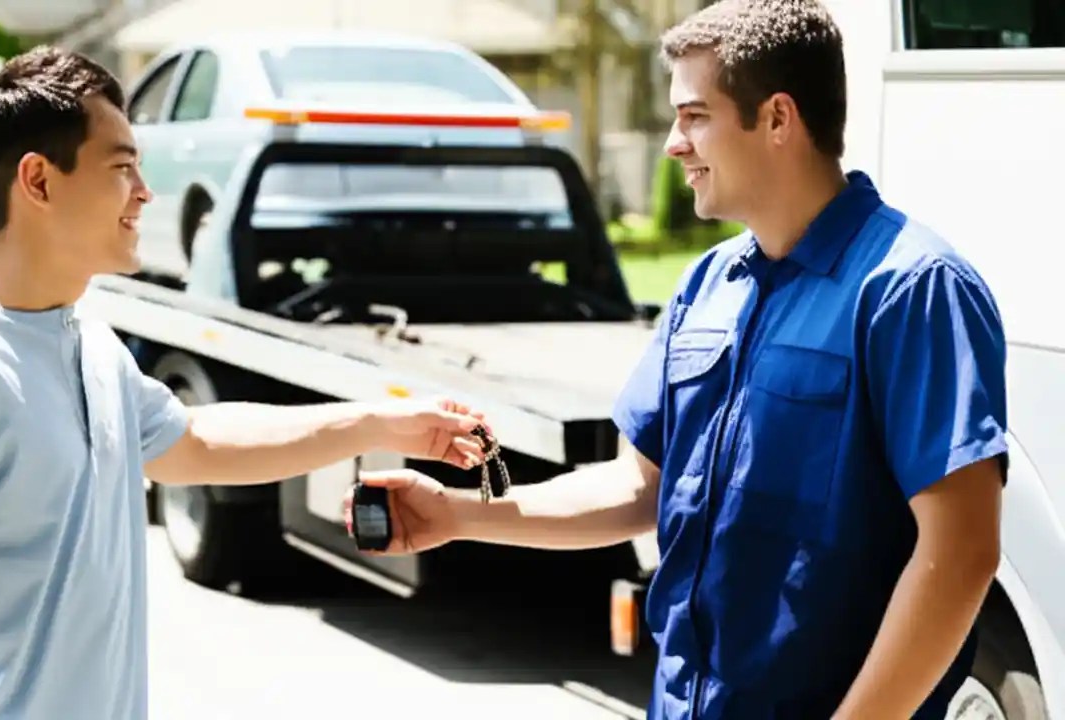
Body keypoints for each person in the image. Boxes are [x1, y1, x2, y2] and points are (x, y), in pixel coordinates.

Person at [347, 1, 1009, 718]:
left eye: (694, 116)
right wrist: (458, 514)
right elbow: (639, 486)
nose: (672, 144)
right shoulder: (707, 286)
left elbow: (962, 552)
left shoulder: (911, 290)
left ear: (778, 119)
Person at [0, 45, 490, 720]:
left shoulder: (91, 346)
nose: (145, 192)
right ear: (38, 181)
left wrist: (376, 423)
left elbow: (194, 442)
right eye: (121, 167)